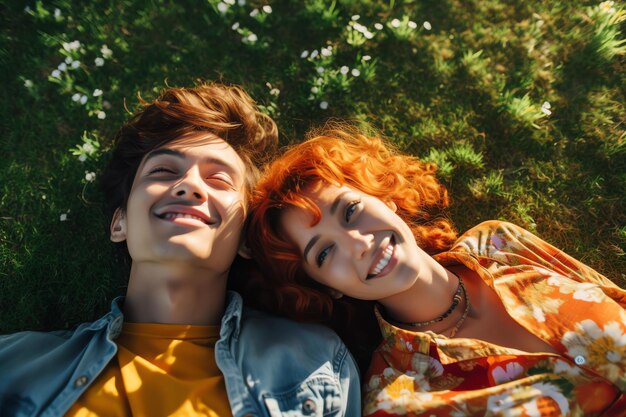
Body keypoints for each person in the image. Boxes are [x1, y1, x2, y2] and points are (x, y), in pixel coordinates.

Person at [0, 84, 360, 417]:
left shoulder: (316, 363)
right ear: (119, 223)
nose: (189, 187)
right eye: (162, 172)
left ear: (247, 240)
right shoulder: (12, 363)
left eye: (218, 179)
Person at [245, 124, 626, 416]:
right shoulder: (397, 399)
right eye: (325, 253)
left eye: (350, 211)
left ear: (384, 198)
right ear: (327, 288)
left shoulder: (500, 243)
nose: (359, 244)